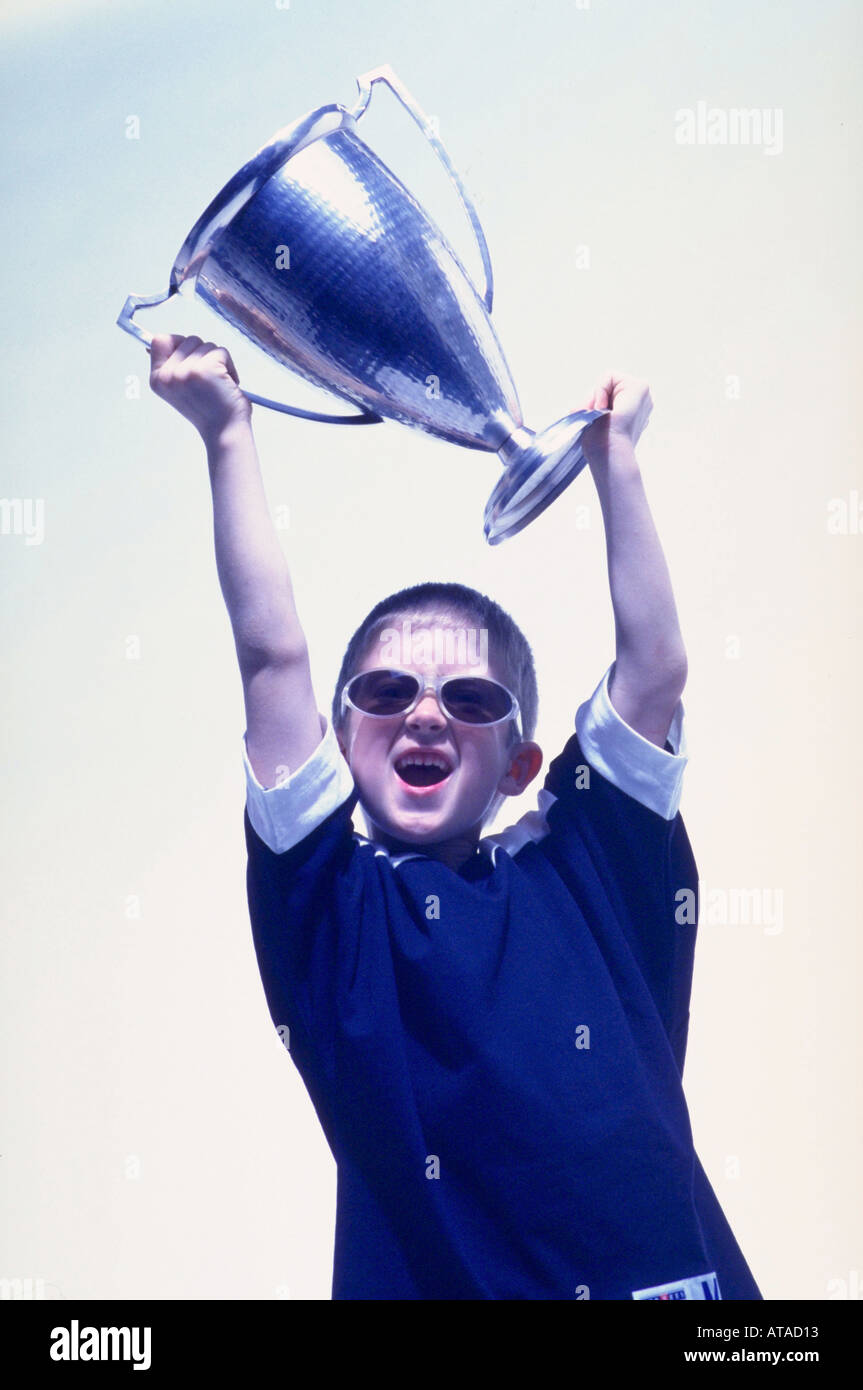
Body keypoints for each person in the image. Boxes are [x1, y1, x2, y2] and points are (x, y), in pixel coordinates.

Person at [149, 333, 762, 1301]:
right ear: (336, 744)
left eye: (470, 700)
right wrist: (228, 435)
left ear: (519, 763)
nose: (426, 712)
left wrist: (615, 465)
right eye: (387, 692)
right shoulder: (333, 920)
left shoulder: (584, 868)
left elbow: (653, 668)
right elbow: (271, 659)